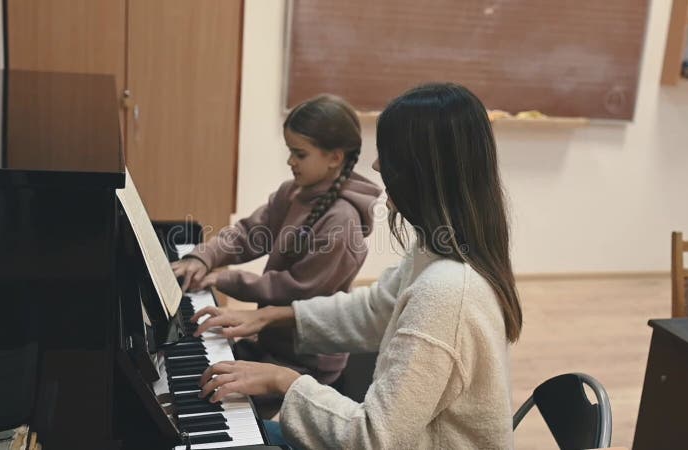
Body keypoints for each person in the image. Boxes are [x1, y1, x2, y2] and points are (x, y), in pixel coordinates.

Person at [189, 83, 523, 449]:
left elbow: (373, 436)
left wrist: (283, 381)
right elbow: (371, 311)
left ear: (421, 169)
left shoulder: (447, 292)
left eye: (389, 155)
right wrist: (271, 316)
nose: (377, 165)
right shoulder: (437, 252)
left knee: (223, 437)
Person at [171, 94, 381, 387]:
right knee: (198, 359)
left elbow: (295, 291)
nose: (290, 161)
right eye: (290, 151)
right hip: (273, 341)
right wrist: (203, 257)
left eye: (300, 154)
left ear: (335, 158)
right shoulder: (293, 192)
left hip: (307, 361)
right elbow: (248, 233)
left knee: (208, 387)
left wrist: (225, 279)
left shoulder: (341, 223)